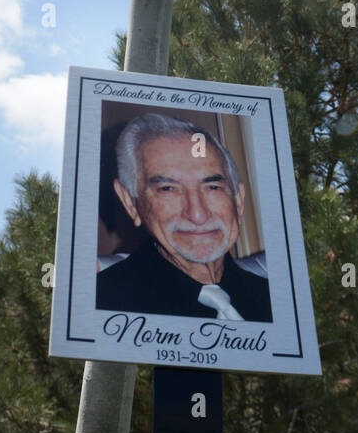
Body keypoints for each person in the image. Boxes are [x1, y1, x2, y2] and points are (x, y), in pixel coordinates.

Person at [96, 112, 272, 321]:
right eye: (168, 188)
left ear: (239, 200)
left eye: (213, 187)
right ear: (130, 203)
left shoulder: (279, 300)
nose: (197, 214)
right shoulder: (101, 305)